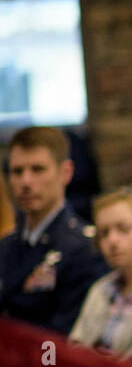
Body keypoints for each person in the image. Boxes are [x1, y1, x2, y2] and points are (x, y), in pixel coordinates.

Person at [0, 126, 108, 334]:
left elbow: (66, 338)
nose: (26, 182)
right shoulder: (6, 248)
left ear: (65, 172)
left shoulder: (85, 248)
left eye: (38, 169)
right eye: (17, 171)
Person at [69, 185, 132, 355]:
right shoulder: (100, 290)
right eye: (104, 233)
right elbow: (75, 347)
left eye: (124, 229)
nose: (112, 240)